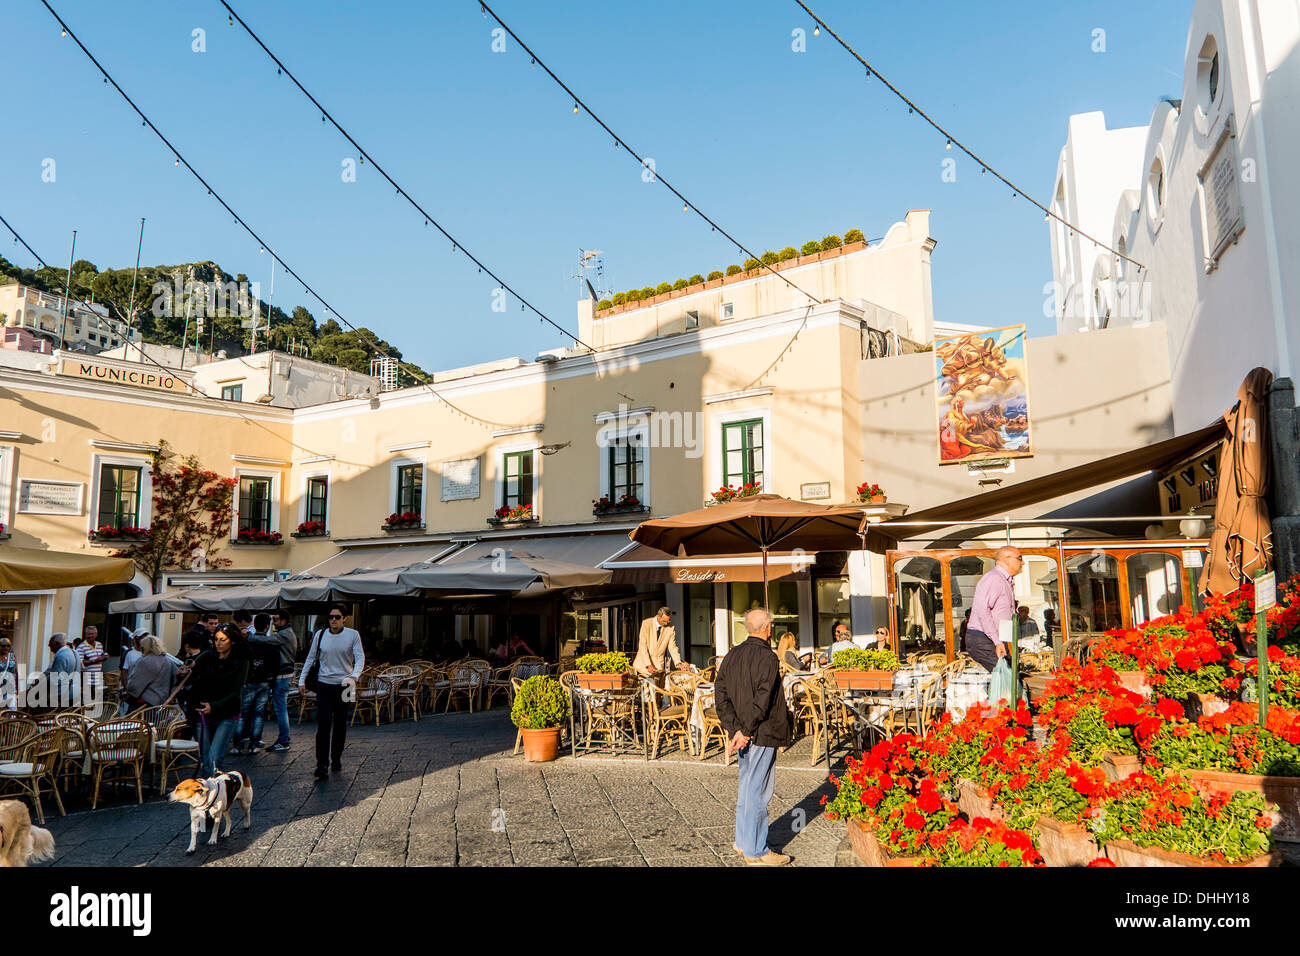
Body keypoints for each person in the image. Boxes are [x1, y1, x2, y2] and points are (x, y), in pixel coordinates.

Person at [714, 607, 792, 866]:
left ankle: (742, 840)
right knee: (758, 791)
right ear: (767, 629)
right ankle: (756, 850)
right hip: (761, 732)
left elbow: (720, 695)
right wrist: (744, 731)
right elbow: (763, 699)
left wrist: (734, 728)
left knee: (747, 787)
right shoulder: (768, 657)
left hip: (743, 732)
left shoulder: (732, 654)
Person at [298, 604, 364, 781]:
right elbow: (311, 658)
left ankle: (336, 759)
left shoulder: (353, 635)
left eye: (337, 617)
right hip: (324, 683)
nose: (333, 620)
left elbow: (360, 657)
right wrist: (301, 680)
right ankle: (322, 764)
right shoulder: (320, 635)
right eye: (331, 617)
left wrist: (355, 676)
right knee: (324, 723)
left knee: (341, 723)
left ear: (344, 618)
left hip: (347, 684)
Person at [190, 624, 249, 777]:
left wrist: (214, 706)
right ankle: (208, 794)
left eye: (223, 640)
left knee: (215, 757)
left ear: (232, 641)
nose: (218, 643)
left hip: (227, 714)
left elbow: (236, 692)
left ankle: (217, 793)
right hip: (203, 712)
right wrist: (185, 671)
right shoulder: (207, 656)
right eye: (216, 639)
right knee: (206, 759)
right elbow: (192, 669)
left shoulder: (241, 662)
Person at [966, 546, 1023, 672]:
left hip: (996, 639)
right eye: (1019, 558)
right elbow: (982, 611)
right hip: (984, 639)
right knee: (1004, 678)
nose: (1022, 562)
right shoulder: (994, 578)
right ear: (1007, 559)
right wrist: (997, 641)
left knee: (1009, 677)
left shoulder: (1006, 580)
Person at [238, 613, 279, 754]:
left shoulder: (247, 642)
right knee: (259, 714)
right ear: (268, 626)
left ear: (254, 625)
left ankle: (238, 745)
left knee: (243, 713)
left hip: (249, 680)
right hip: (265, 681)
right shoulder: (271, 643)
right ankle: (254, 744)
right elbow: (275, 664)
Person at [267, 610, 296, 752]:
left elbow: (266, 640)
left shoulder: (284, 634)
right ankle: (284, 739)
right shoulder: (286, 632)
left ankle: (284, 740)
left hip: (283, 675)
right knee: (280, 707)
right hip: (286, 674)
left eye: (276, 620)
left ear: (284, 620)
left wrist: (250, 637)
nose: (274, 623)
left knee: (281, 708)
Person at [122, 636, 178, 710]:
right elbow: (175, 680)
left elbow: (134, 685)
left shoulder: (144, 661)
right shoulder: (169, 662)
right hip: (163, 703)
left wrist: (127, 691)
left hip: (144, 704)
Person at [632, 607, 686, 678]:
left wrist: (678, 663)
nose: (666, 623)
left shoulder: (670, 628)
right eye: (664, 621)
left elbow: (672, 647)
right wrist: (648, 664)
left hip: (658, 667)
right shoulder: (646, 623)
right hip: (642, 664)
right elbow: (643, 646)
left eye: (668, 621)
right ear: (658, 617)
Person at [76, 625, 107, 690]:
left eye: (92, 634)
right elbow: (80, 663)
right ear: (85, 635)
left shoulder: (99, 645)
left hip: (97, 679)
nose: (90, 636)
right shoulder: (81, 647)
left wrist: (105, 657)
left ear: (96, 635)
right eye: (88, 634)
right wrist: (94, 661)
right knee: (87, 699)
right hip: (86, 680)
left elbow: (102, 656)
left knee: (97, 699)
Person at [0, 638, 19, 711]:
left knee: (12, 712)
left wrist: (17, 689)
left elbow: (15, 672)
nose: (6, 648)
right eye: (3, 646)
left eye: (8, 646)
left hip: (10, 689)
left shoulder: (12, 657)